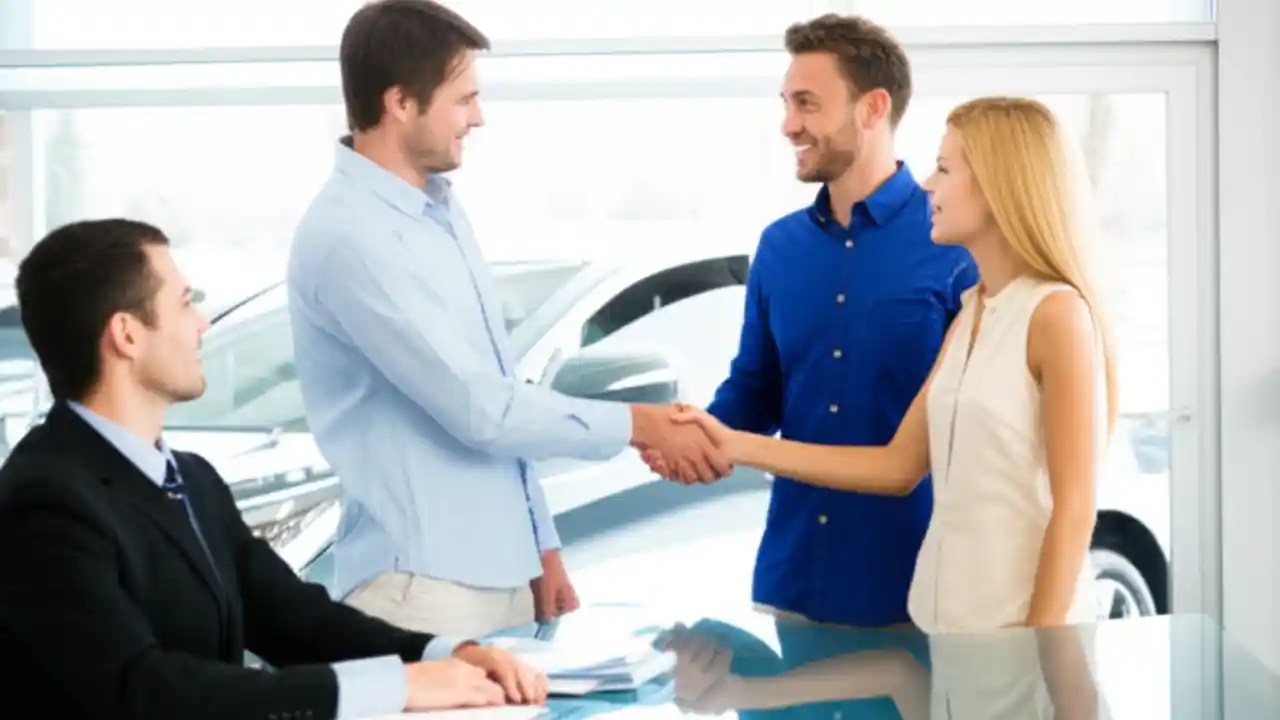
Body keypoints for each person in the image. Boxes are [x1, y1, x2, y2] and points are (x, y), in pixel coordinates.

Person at [287, 0, 729, 639]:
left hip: (500, 582)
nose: (478, 117)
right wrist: (642, 424)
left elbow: (496, 387)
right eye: (463, 99)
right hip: (422, 589)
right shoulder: (351, 236)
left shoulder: (437, 211)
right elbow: (479, 409)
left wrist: (539, 545)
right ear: (400, 103)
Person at [0, 219, 548, 720]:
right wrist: (397, 688)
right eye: (186, 303)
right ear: (127, 335)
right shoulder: (44, 500)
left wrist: (450, 653)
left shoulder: (192, 479)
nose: (203, 323)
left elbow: (297, 621)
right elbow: (143, 689)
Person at [666, 96, 1117, 634]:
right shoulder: (973, 311)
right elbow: (896, 466)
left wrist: (1032, 655)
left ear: (1000, 187)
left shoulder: (1055, 314)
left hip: (1019, 643)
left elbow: (1075, 510)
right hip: (948, 629)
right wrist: (730, 442)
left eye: (945, 169)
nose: (928, 185)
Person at [650, 14, 977, 628]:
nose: (788, 125)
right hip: (795, 581)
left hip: (918, 588)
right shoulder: (778, 248)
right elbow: (756, 387)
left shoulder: (953, 243)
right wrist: (695, 442)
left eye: (806, 104)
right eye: (786, 103)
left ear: (872, 108)